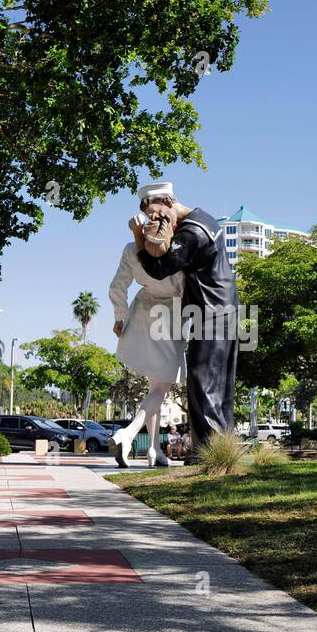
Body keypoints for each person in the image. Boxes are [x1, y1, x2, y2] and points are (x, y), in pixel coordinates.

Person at [131, 186, 239, 459]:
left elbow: (159, 269)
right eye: (150, 219)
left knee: (203, 384)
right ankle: (222, 452)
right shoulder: (205, 218)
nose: (156, 223)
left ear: (168, 201)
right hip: (225, 310)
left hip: (212, 313)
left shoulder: (192, 232)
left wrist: (138, 238)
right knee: (220, 387)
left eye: (158, 215)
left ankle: (207, 454)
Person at [107, 182, 188, 468]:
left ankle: (154, 448)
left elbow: (117, 287)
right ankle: (128, 434)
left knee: (155, 384)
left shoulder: (133, 247)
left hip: (142, 311)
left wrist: (119, 317)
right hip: (169, 316)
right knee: (161, 387)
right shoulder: (181, 245)